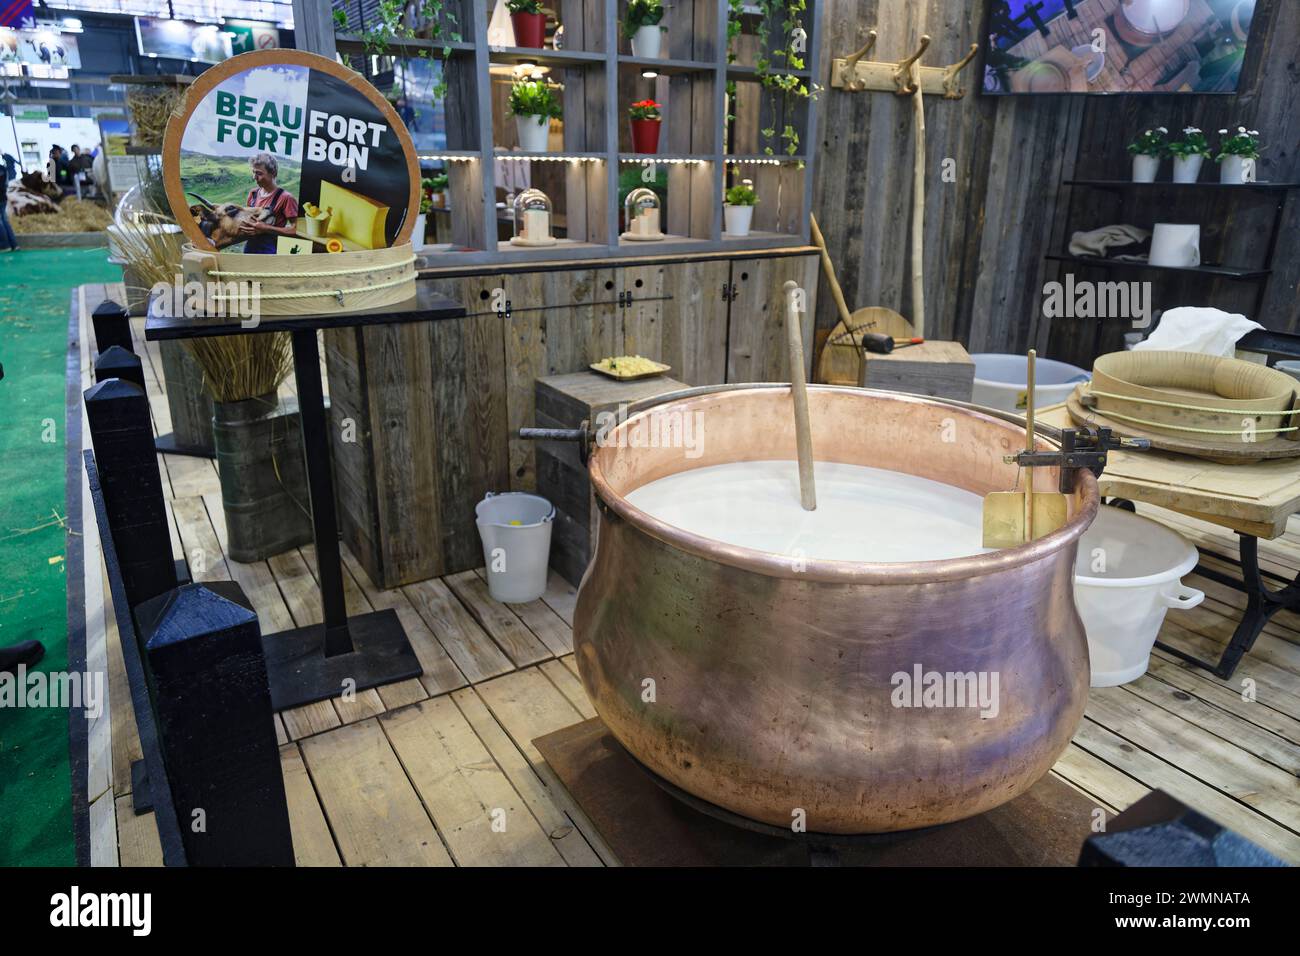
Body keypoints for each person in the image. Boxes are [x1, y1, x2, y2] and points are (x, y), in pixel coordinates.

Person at [240, 153, 299, 254]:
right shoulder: (253, 194)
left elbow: (297, 230)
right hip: (249, 247)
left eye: (259, 173)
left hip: (271, 250)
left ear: (273, 173)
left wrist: (266, 228)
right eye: (253, 172)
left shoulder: (286, 198)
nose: (254, 177)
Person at [0, 154, 18, 252]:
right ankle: (14, 244)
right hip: (3, 197)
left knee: (0, 222)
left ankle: (4, 245)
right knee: (5, 221)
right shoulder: (3, 169)